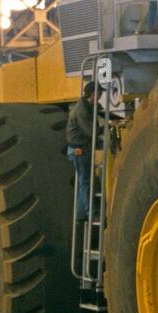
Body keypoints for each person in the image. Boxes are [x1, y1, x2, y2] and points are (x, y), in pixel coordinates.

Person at [66, 82, 94, 221]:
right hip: (78, 150)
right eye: (99, 93)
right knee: (85, 182)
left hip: (78, 149)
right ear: (93, 93)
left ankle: (81, 213)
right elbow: (89, 131)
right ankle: (88, 214)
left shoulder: (85, 107)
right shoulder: (82, 110)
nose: (100, 95)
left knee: (83, 181)